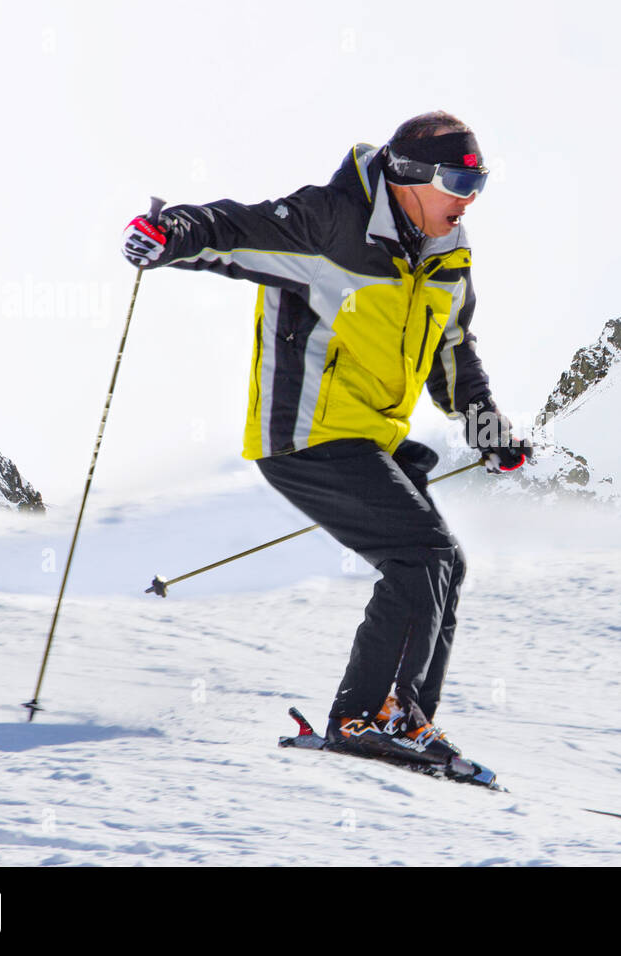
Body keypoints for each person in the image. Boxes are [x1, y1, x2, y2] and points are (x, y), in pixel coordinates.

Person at [120, 111, 532, 764]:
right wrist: (169, 233)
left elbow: (452, 351)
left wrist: (488, 430)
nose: (468, 196)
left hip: (372, 437)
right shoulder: (331, 222)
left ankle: (406, 719)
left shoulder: (450, 256)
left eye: (477, 181)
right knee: (419, 556)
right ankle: (367, 718)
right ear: (408, 175)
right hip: (306, 435)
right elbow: (234, 231)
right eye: (456, 179)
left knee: (444, 563)